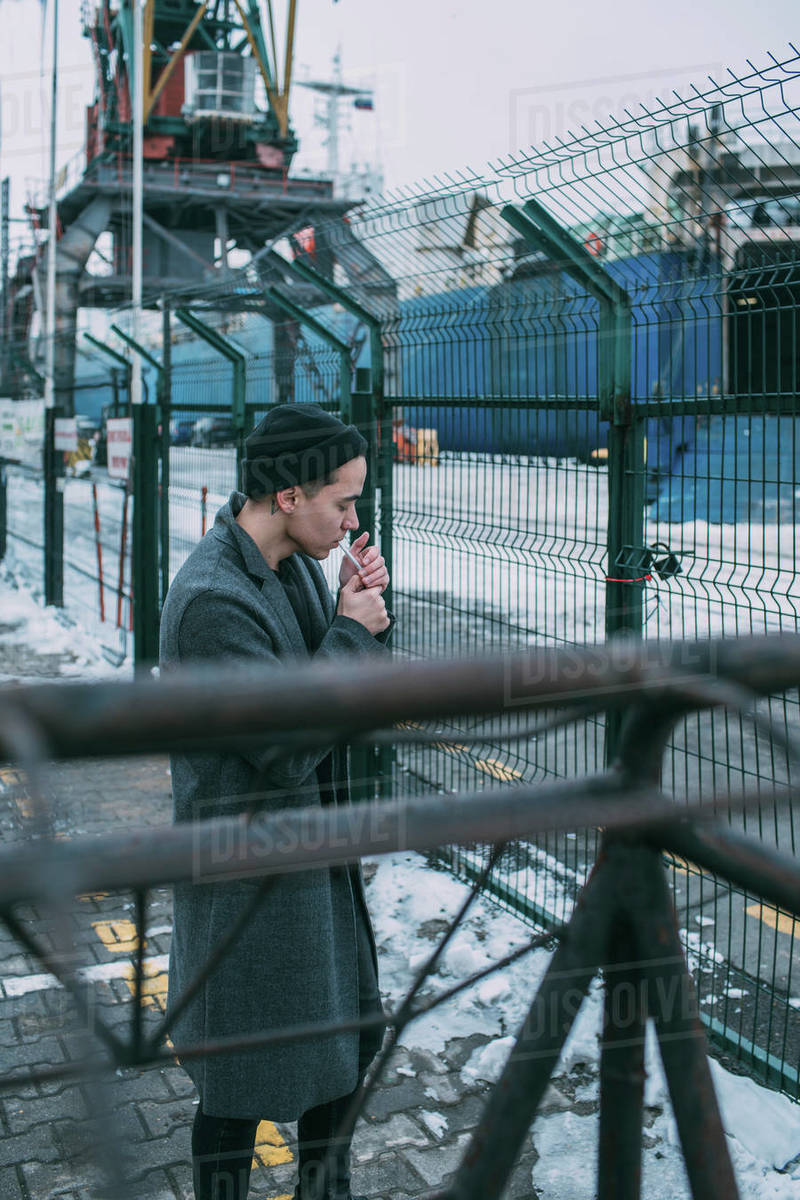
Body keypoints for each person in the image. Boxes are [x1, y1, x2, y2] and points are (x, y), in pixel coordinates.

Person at [159, 403, 393, 1200]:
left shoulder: (286, 566)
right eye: (344, 502)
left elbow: (318, 697)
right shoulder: (213, 601)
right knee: (237, 1093)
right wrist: (351, 637)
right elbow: (288, 747)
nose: (353, 519)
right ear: (289, 495)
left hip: (305, 873)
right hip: (247, 893)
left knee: (335, 1068)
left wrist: (352, 617)